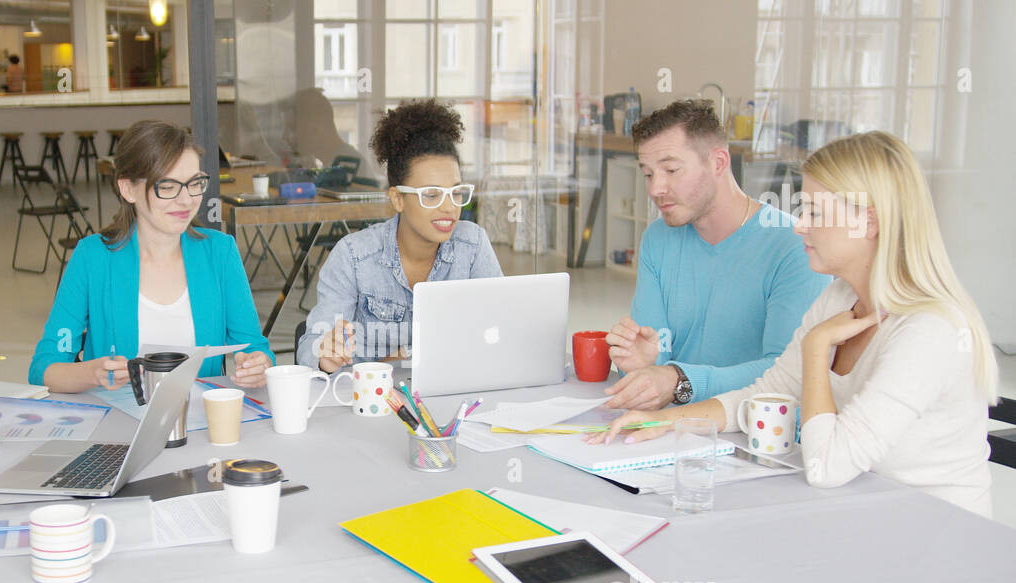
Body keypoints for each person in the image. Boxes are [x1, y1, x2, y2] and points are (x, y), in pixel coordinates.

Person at [590, 131, 998, 518]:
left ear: (868, 222)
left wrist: (817, 349)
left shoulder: (929, 332)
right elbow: (767, 393)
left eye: (816, 213)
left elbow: (826, 466)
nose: (800, 225)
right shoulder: (839, 297)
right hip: (864, 514)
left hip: (935, 536)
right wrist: (669, 421)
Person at [603, 99, 828, 411]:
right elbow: (657, 364)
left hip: (754, 432)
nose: (656, 188)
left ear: (719, 162)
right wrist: (643, 363)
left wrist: (679, 379)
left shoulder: (795, 246)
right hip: (674, 430)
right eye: (648, 173)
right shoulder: (658, 238)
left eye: (671, 170)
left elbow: (787, 372)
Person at [30, 120, 274, 391]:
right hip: (119, 425)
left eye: (195, 183)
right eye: (167, 186)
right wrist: (91, 373)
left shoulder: (219, 252)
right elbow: (43, 369)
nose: (185, 200)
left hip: (200, 422)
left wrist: (258, 365)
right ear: (127, 189)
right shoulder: (93, 257)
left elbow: (257, 348)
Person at [296, 99, 503, 372]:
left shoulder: (473, 246)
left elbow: (500, 334)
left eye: (455, 191)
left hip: (453, 398)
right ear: (397, 198)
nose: (449, 206)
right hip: (368, 405)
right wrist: (325, 354)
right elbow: (309, 347)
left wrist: (404, 354)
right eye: (431, 194)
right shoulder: (354, 256)